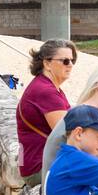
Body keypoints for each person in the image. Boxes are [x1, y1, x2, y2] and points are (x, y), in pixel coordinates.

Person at [15, 39, 77, 187]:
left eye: (72, 60)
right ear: (47, 63)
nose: (71, 65)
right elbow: (69, 134)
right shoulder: (46, 91)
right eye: (65, 61)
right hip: (40, 167)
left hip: (36, 163)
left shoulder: (47, 86)